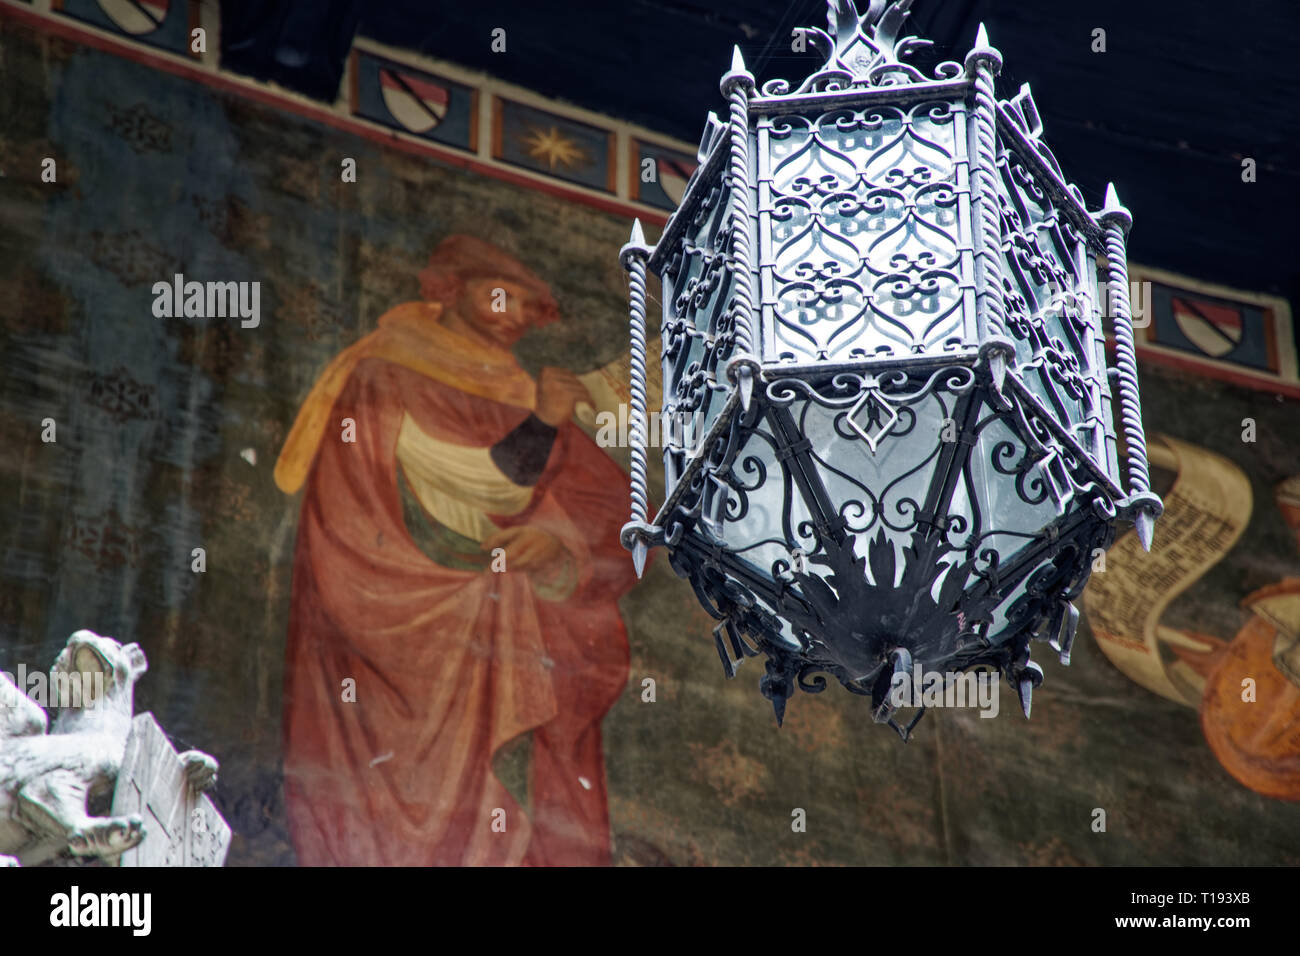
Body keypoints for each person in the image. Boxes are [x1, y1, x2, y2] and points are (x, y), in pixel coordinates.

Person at [274, 235, 637, 865]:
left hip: (504, 620)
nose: (516, 313)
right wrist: (542, 427)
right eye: (502, 292)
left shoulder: (523, 390)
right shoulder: (384, 372)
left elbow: (614, 514)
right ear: (450, 287)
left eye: (530, 306)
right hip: (398, 606)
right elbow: (427, 490)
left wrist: (555, 550)